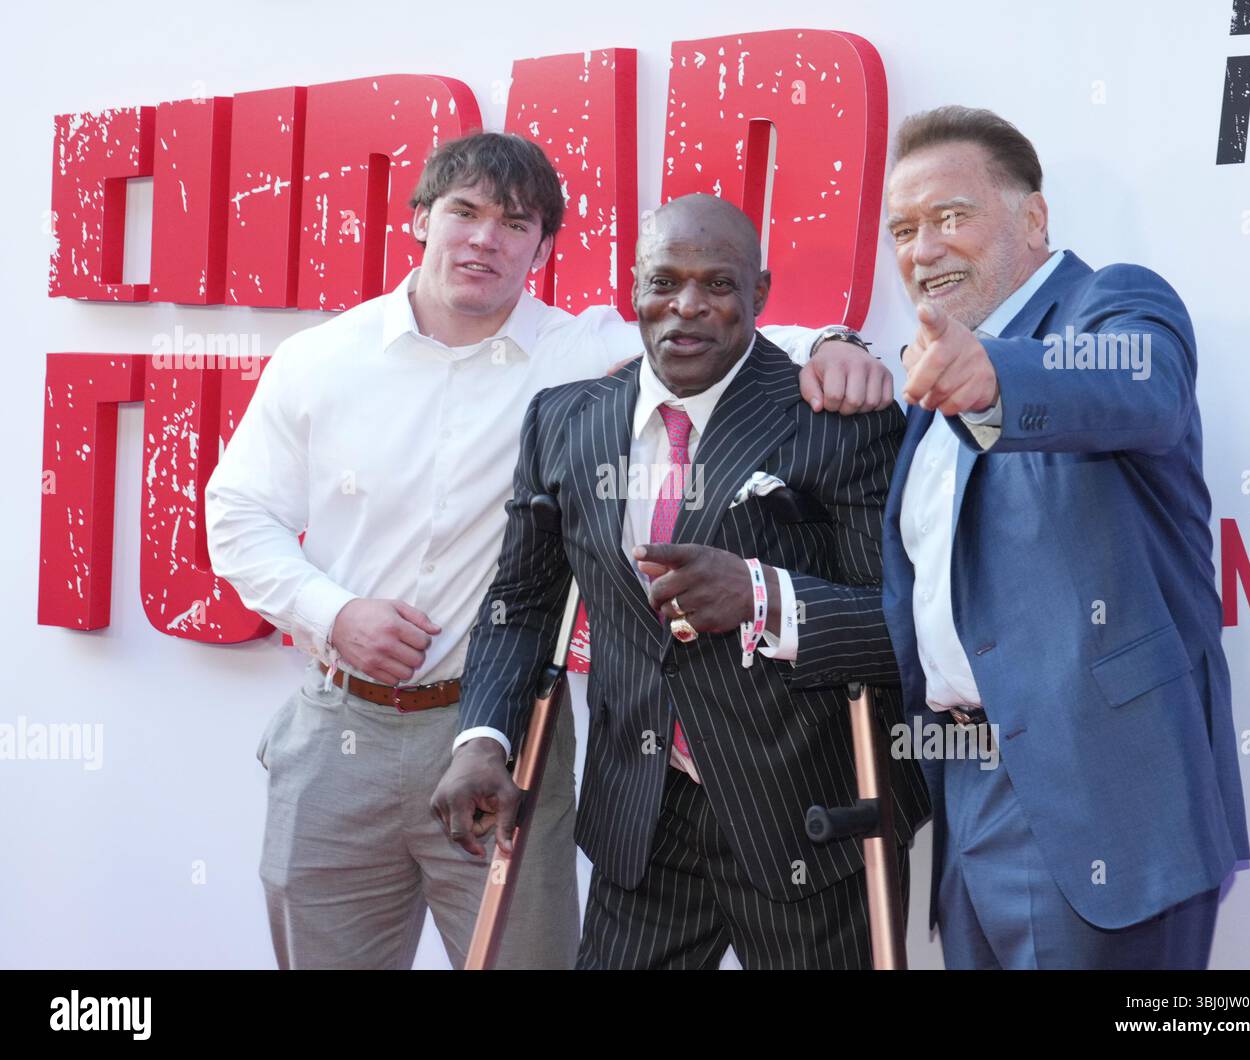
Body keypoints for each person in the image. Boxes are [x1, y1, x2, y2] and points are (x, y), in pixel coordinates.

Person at [205, 131, 895, 970]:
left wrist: (836, 342)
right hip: (336, 726)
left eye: (516, 222)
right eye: (464, 212)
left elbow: (719, 314)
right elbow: (239, 514)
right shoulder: (317, 360)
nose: (486, 239)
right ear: (420, 219)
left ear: (541, 246)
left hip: (501, 730)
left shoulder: (574, 353)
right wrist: (333, 612)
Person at [432, 193, 931, 970]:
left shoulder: (836, 418)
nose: (687, 306)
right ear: (632, 286)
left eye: (720, 285)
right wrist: (481, 737)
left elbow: (907, 627)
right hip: (643, 824)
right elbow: (522, 606)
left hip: (808, 822)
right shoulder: (566, 422)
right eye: (664, 281)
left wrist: (765, 597)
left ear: (760, 294)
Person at [880, 105, 1250, 969]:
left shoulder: (1111, 305)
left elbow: (1143, 385)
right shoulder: (924, 392)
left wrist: (995, 374)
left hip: (1105, 802)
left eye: (950, 217)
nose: (923, 248)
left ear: (1034, 218)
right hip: (967, 791)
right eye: (903, 229)